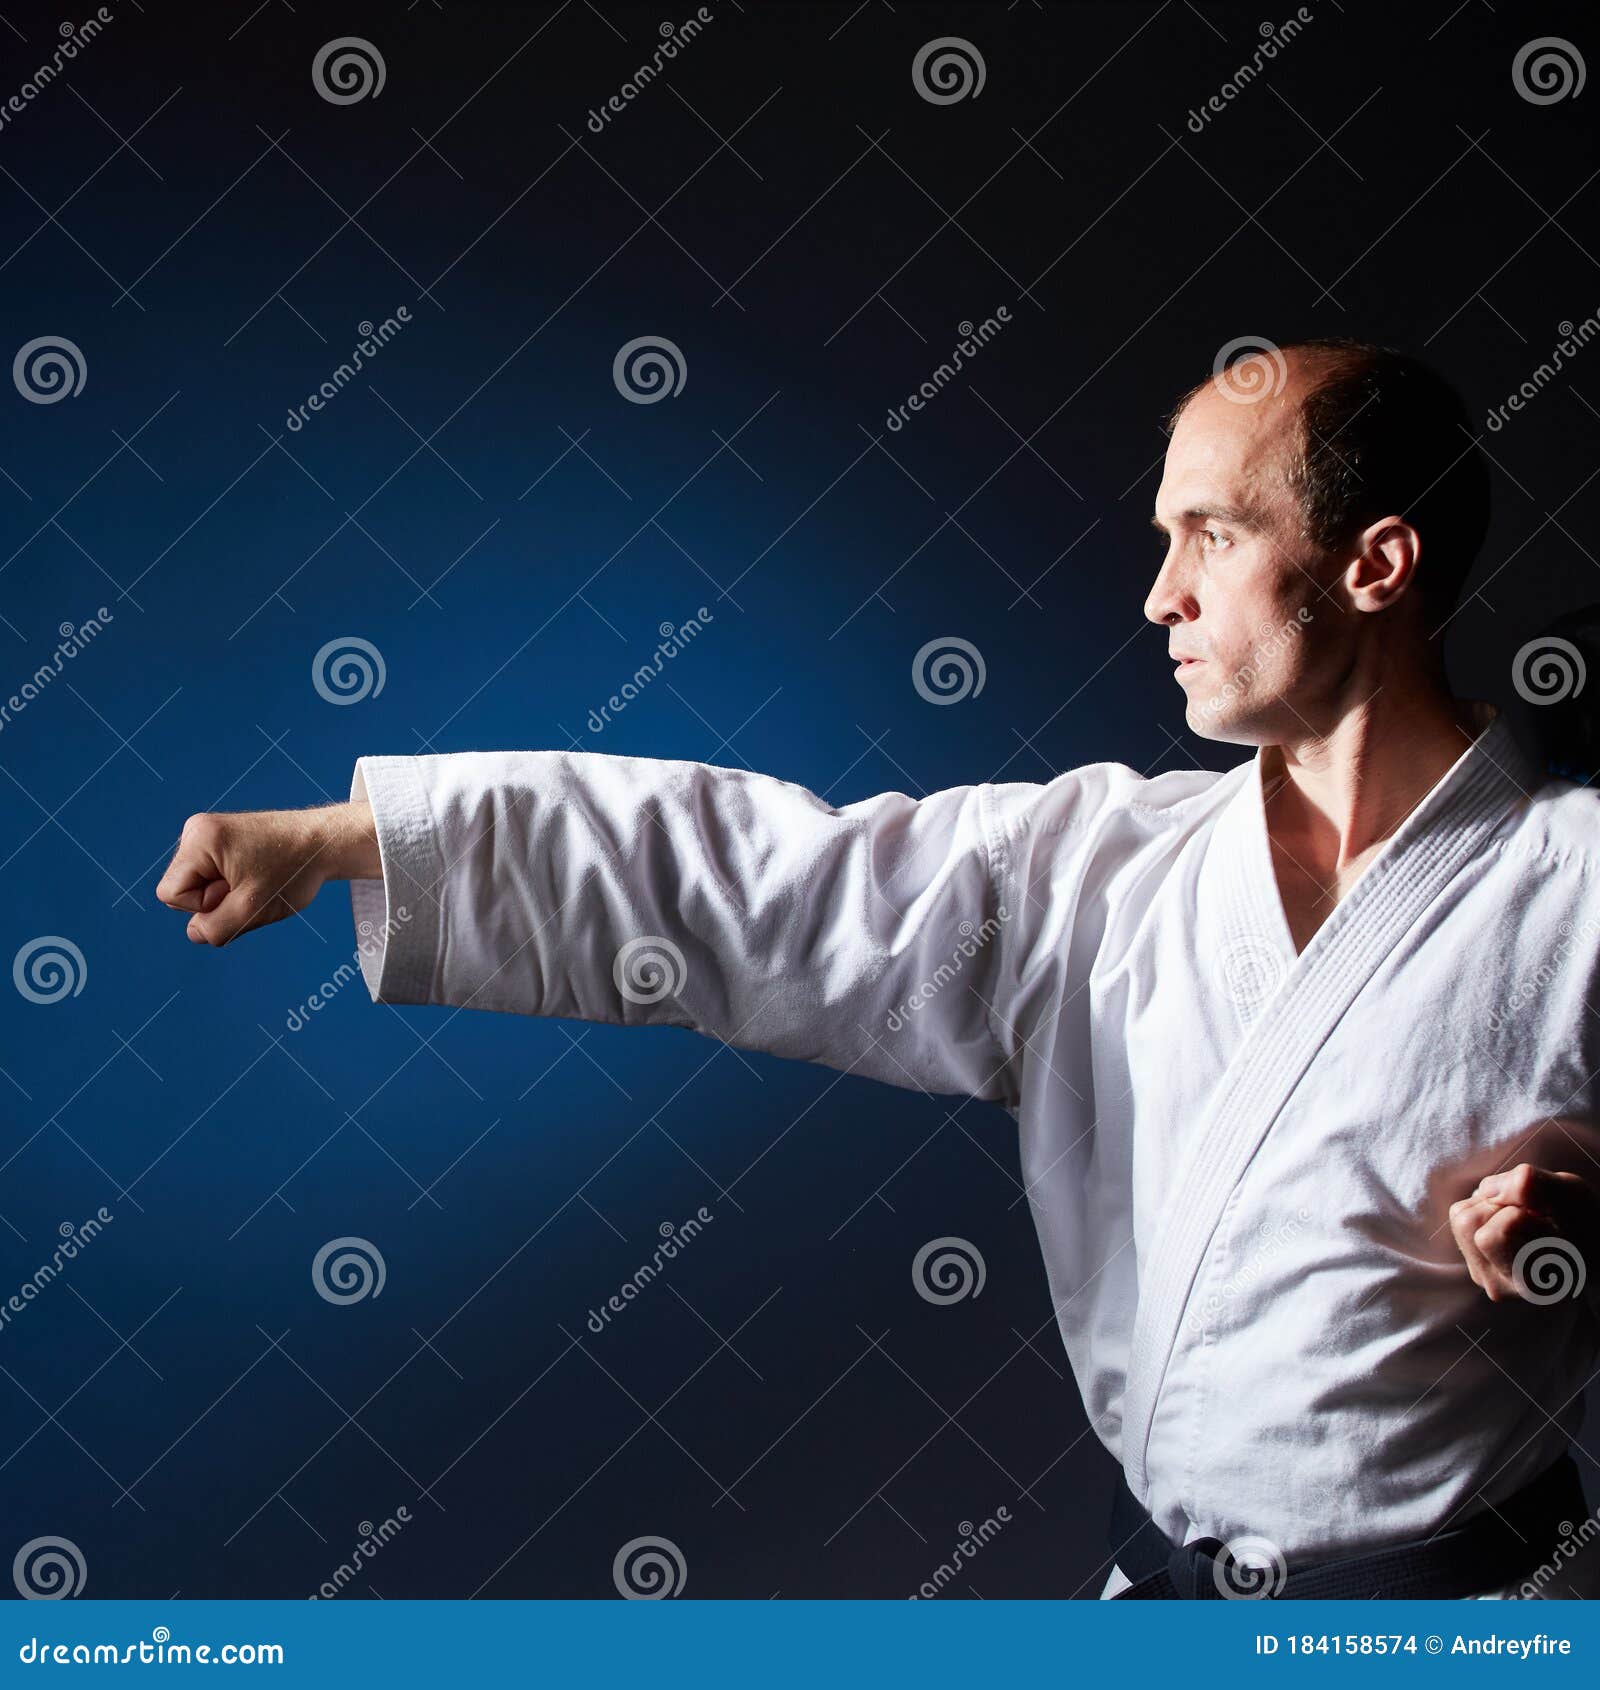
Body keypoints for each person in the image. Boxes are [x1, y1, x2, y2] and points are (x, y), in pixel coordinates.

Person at [157, 338, 1600, 1600]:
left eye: (1211, 536)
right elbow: (754, 881)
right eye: (1163, 539)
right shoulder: (1102, 872)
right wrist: (354, 838)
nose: (1158, 594)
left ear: (1376, 565)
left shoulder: (1575, 878)